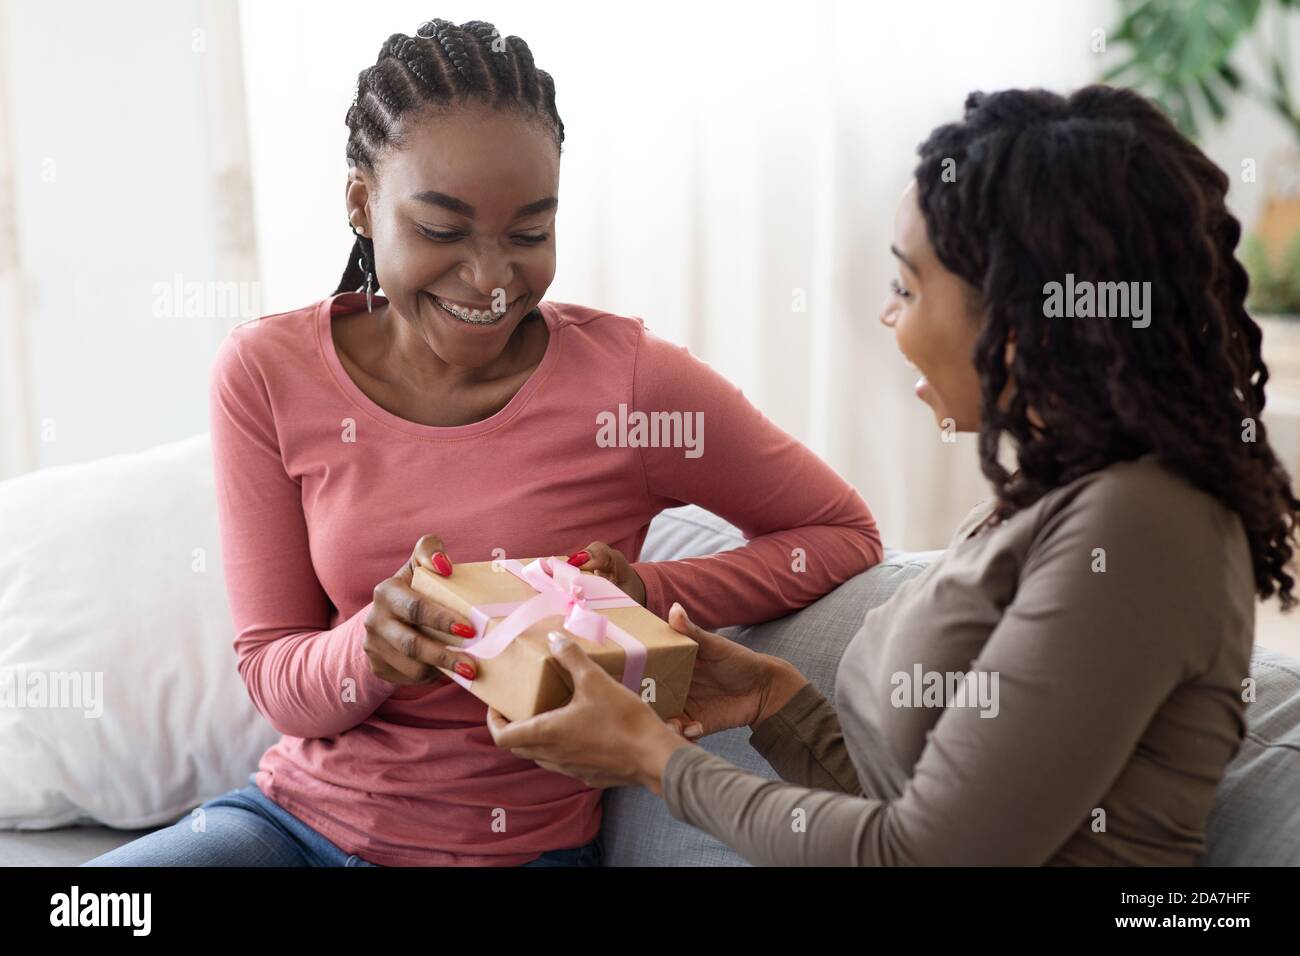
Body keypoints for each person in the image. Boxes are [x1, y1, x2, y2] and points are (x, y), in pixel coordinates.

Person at [82, 18, 881, 868]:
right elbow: (276, 675)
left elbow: (842, 534)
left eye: (529, 235)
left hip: (516, 852)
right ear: (361, 204)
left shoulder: (631, 384)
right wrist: (372, 647)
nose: (491, 279)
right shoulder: (266, 372)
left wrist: (642, 593)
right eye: (442, 230)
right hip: (289, 829)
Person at [487, 85, 1300, 866]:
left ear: (1017, 324)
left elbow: (924, 855)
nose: (888, 316)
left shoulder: (1139, 529)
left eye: (906, 287)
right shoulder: (1051, 502)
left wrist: (655, 759)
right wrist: (773, 701)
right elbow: (920, 820)